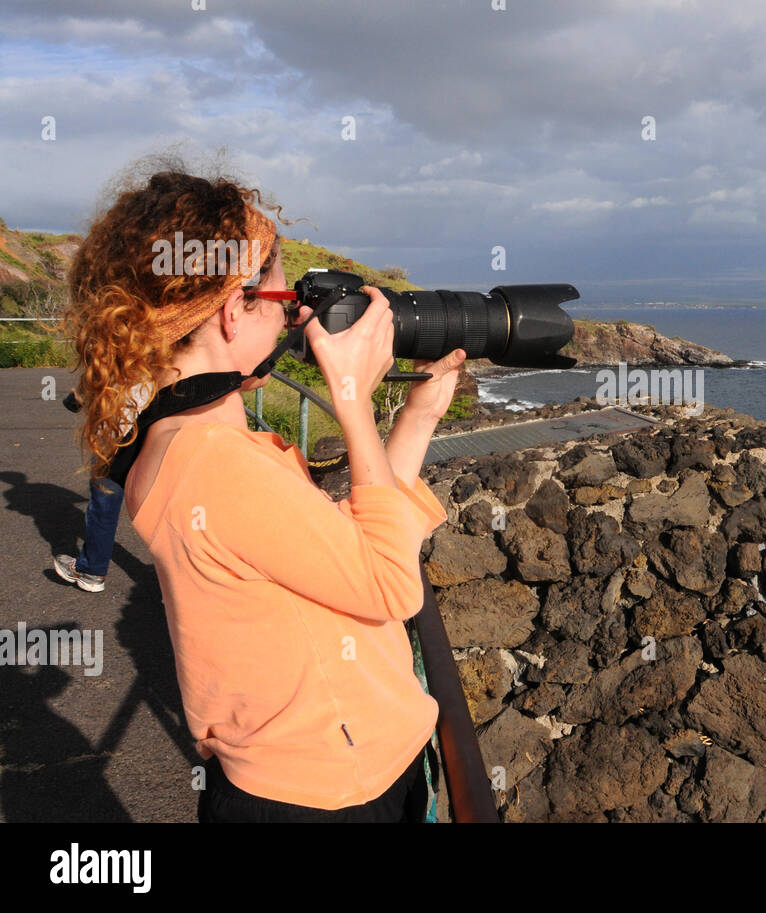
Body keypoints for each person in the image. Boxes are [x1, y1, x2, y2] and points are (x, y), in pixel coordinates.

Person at [62, 158, 466, 821]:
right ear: (230, 314)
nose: (292, 318)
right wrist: (350, 398)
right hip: (326, 794)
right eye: (282, 300)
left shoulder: (182, 439)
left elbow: (338, 547)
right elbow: (391, 582)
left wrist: (419, 414)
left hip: (319, 780)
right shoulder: (213, 462)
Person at [53, 381, 153, 592]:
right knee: (165, 503)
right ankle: (182, 577)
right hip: (159, 423)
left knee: (105, 498)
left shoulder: (117, 348)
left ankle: (92, 570)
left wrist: (79, 395)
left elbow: (102, 370)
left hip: (121, 423)